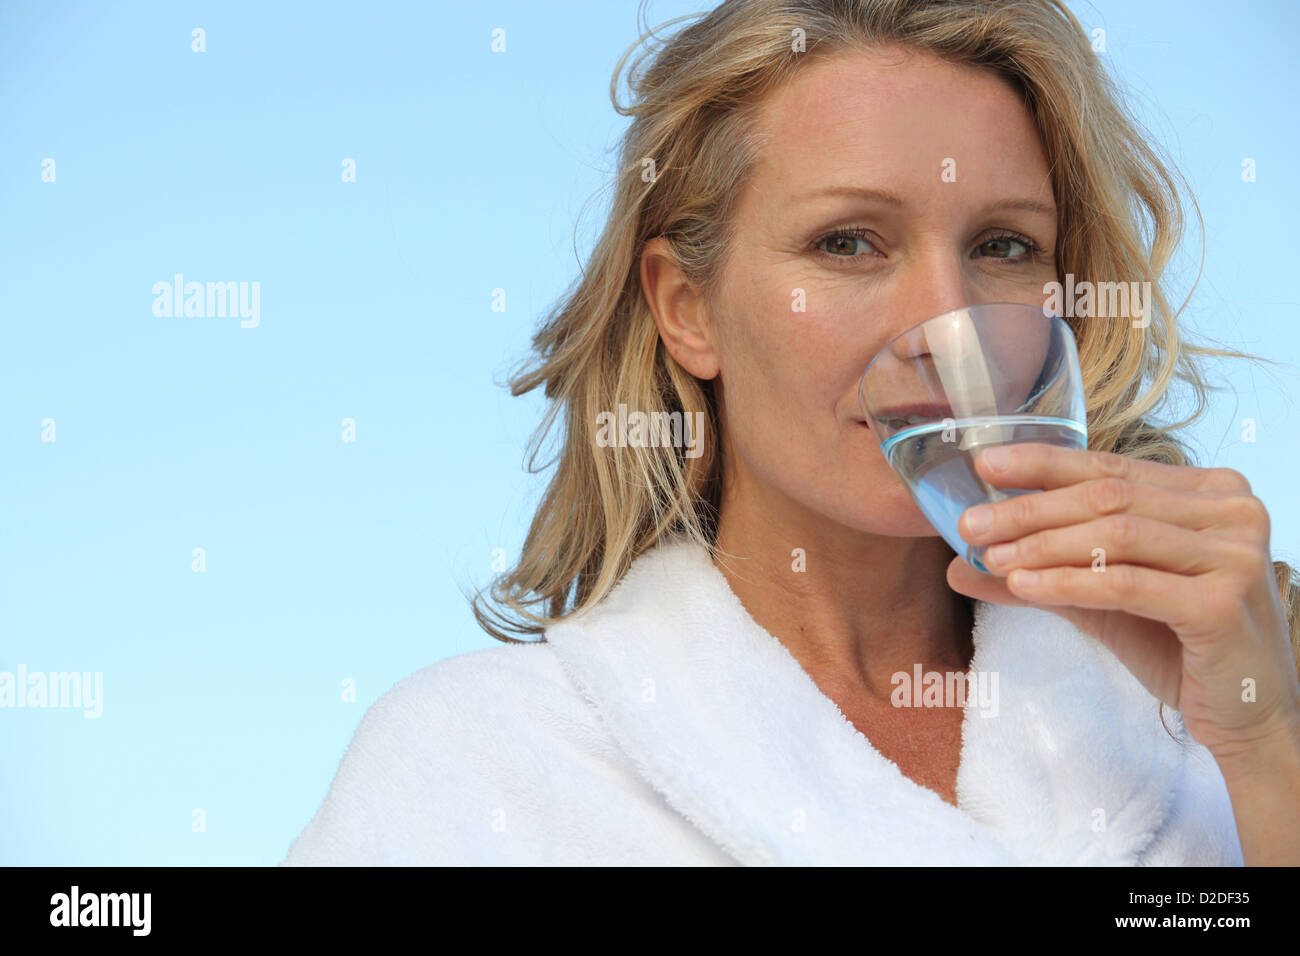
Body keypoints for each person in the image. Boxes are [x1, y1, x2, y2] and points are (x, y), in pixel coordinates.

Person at [283, 0, 1300, 866]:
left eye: (1002, 245)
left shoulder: (1198, 738)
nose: (941, 329)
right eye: (849, 242)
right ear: (687, 307)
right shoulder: (477, 765)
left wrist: (1263, 737)